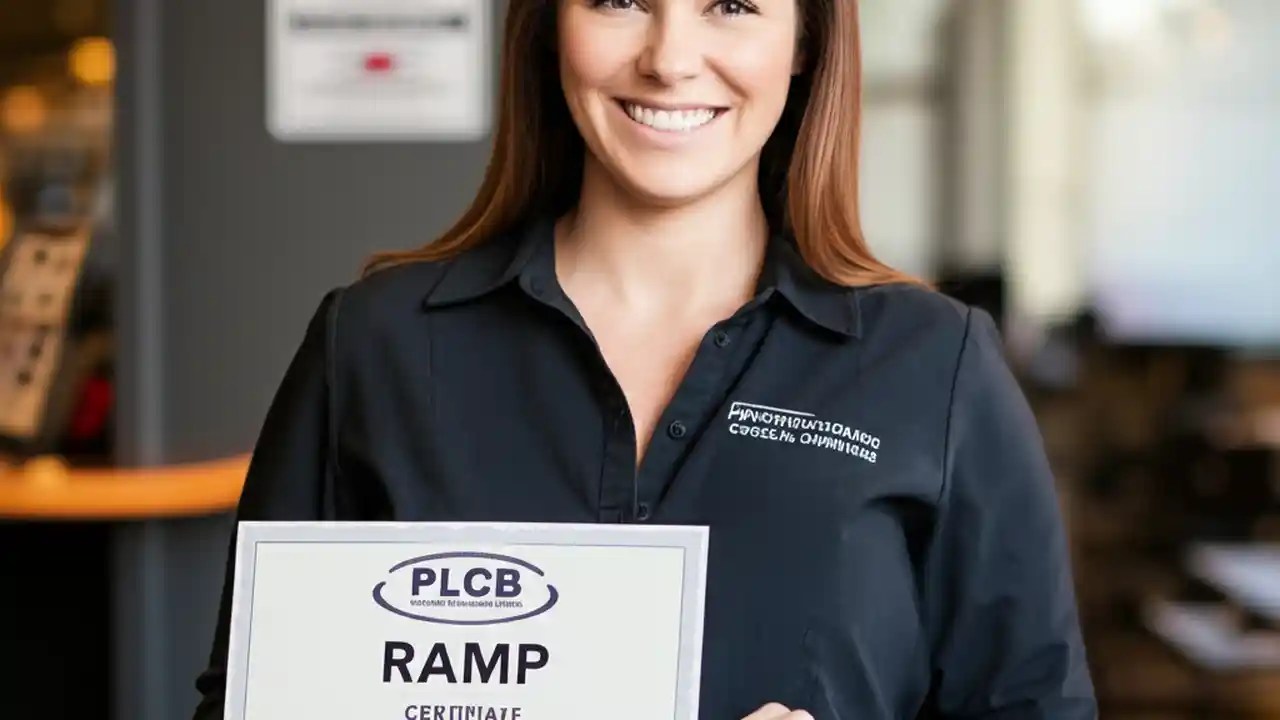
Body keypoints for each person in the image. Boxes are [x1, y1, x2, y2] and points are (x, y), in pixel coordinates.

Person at [193, 1, 1097, 718]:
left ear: (805, 43)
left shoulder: (934, 368)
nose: (669, 57)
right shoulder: (375, 345)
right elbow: (246, 704)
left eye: (732, 5)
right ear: (549, 25)